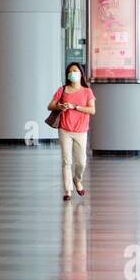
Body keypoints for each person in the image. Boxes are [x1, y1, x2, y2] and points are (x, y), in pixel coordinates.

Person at [48, 62, 95, 201]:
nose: (72, 73)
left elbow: (92, 110)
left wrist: (75, 106)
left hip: (81, 131)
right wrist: (60, 106)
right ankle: (68, 190)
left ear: (81, 73)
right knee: (66, 160)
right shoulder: (63, 90)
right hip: (65, 129)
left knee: (81, 162)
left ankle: (77, 179)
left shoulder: (87, 92)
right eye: (70, 71)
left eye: (75, 71)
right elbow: (50, 105)